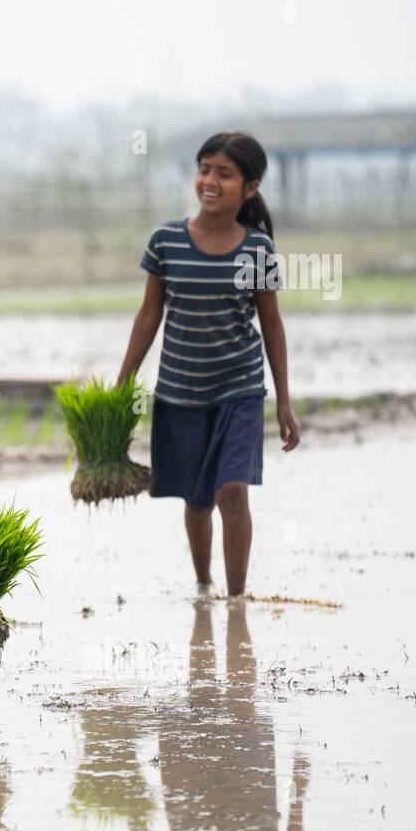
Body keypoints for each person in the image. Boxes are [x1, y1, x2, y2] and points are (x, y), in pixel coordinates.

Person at [115, 132, 300, 597]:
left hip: (239, 390)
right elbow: (148, 316)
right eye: (204, 169)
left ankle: (236, 600)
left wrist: (283, 402)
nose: (210, 181)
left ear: (250, 189)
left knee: (231, 492)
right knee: (197, 501)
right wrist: (123, 381)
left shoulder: (257, 248)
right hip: (179, 392)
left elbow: (272, 326)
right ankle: (203, 587)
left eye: (225, 173)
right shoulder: (167, 241)